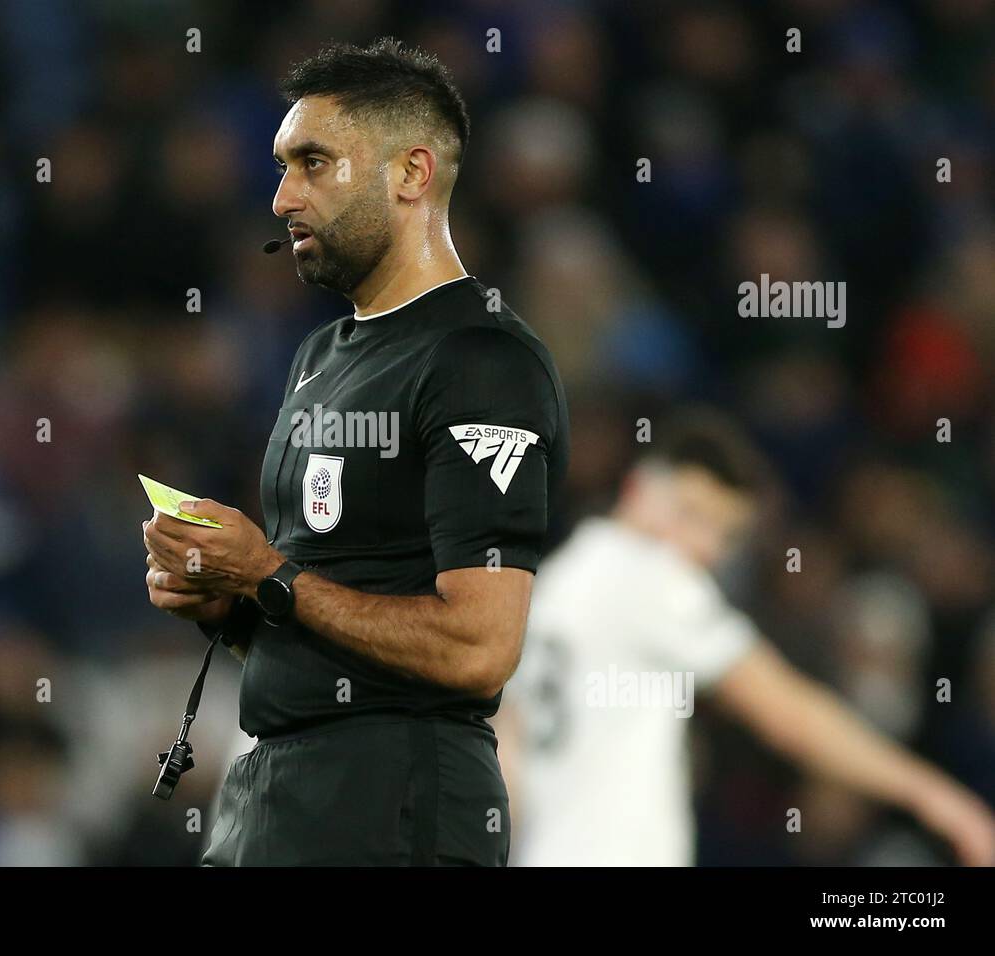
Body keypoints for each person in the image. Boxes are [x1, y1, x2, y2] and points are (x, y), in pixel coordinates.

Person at [141, 38, 568, 865]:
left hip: (393, 803)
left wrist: (267, 574)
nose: (281, 198)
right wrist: (228, 601)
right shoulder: (320, 357)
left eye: (313, 163)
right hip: (272, 787)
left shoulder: (481, 361)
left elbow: (480, 648)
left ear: (411, 174)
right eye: (280, 166)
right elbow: (319, 600)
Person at [497, 410, 995, 866]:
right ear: (638, 489)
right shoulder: (652, 577)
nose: (704, 546)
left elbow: (505, 758)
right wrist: (932, 795)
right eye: (691, 513)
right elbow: (789, 714)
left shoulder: (553, 585)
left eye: (724, 531)